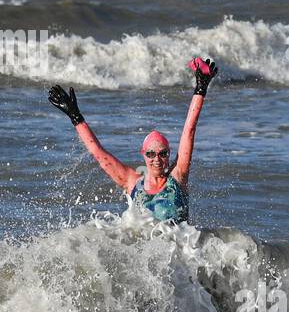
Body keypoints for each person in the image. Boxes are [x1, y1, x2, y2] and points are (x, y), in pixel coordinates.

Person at [47, 56, 217, 223]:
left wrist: (200, 90)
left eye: (162, 153)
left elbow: (189, 130)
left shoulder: (178, 177)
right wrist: (75, 116)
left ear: (168, 155)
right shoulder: (132, 182)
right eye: (151, 154)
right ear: (143, 155)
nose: (157, 159)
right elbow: (98, 153)